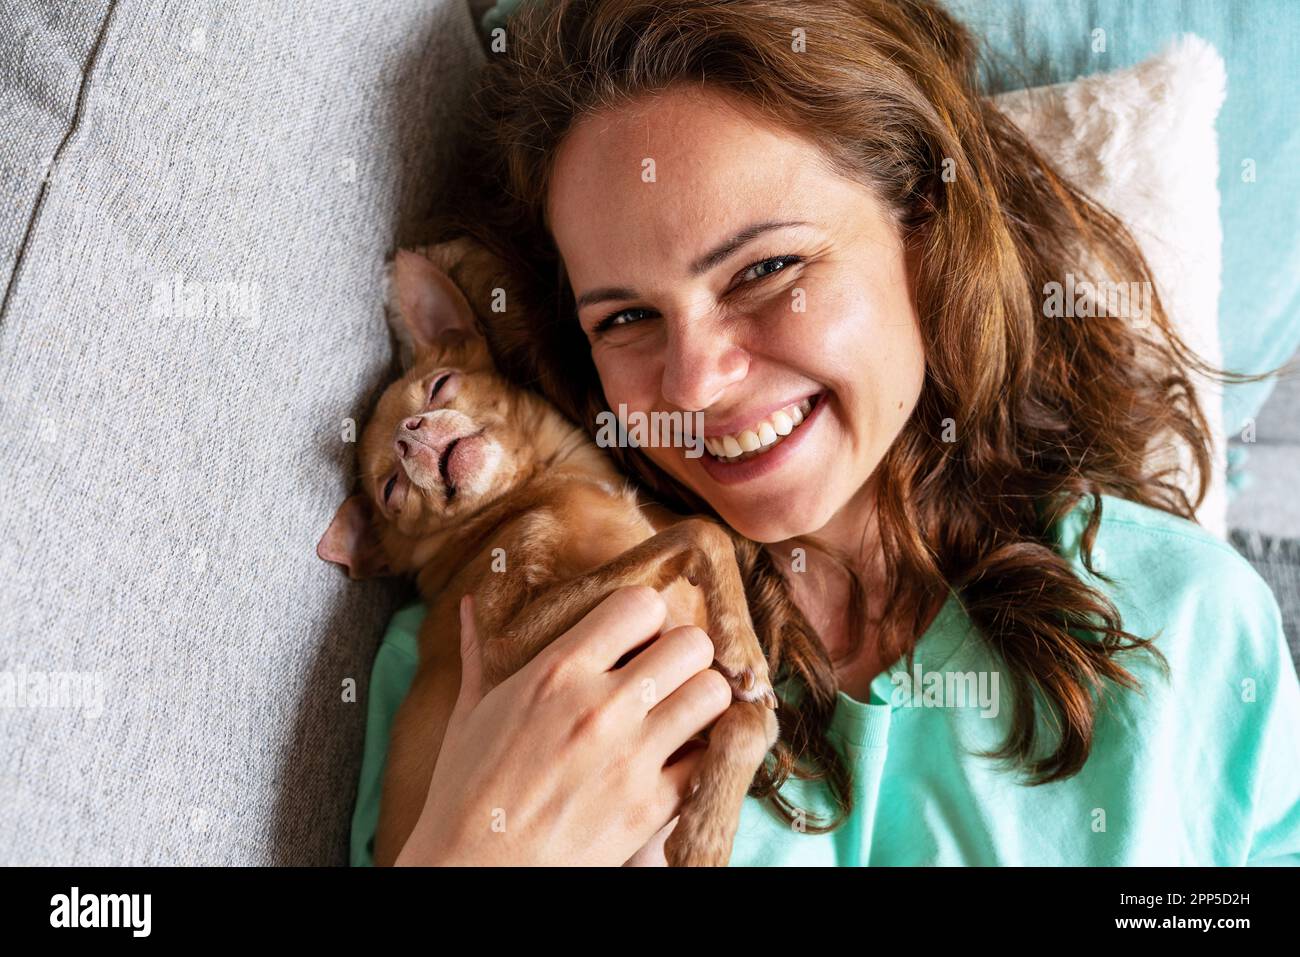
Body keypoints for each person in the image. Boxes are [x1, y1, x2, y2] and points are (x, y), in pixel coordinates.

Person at [352, 0, 1300, 866]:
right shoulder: (476, 644)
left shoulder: (1194, 623)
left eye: (764, 269)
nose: (694, 381)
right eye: (627, 319)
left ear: (924, 228)